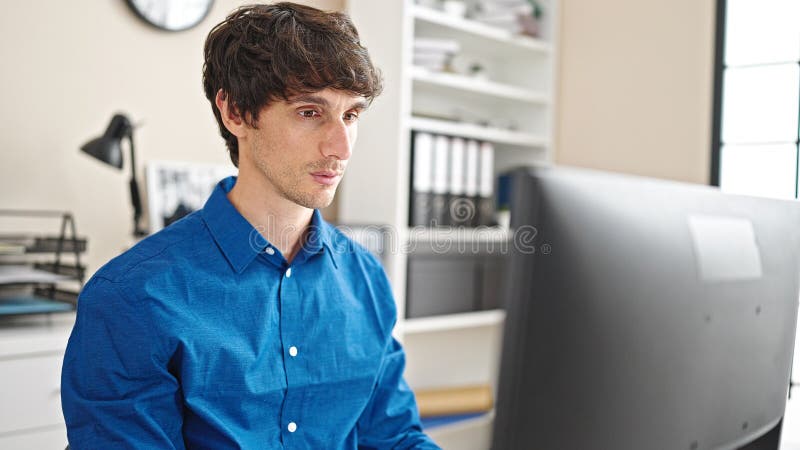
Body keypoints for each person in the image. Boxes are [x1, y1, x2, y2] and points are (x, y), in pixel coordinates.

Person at [61, 3, 439, 448]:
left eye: (351, 115)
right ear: (235, 111)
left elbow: (395, 437)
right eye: (309, 112)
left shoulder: (366, 279)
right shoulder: (131, 297)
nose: (341, 147)